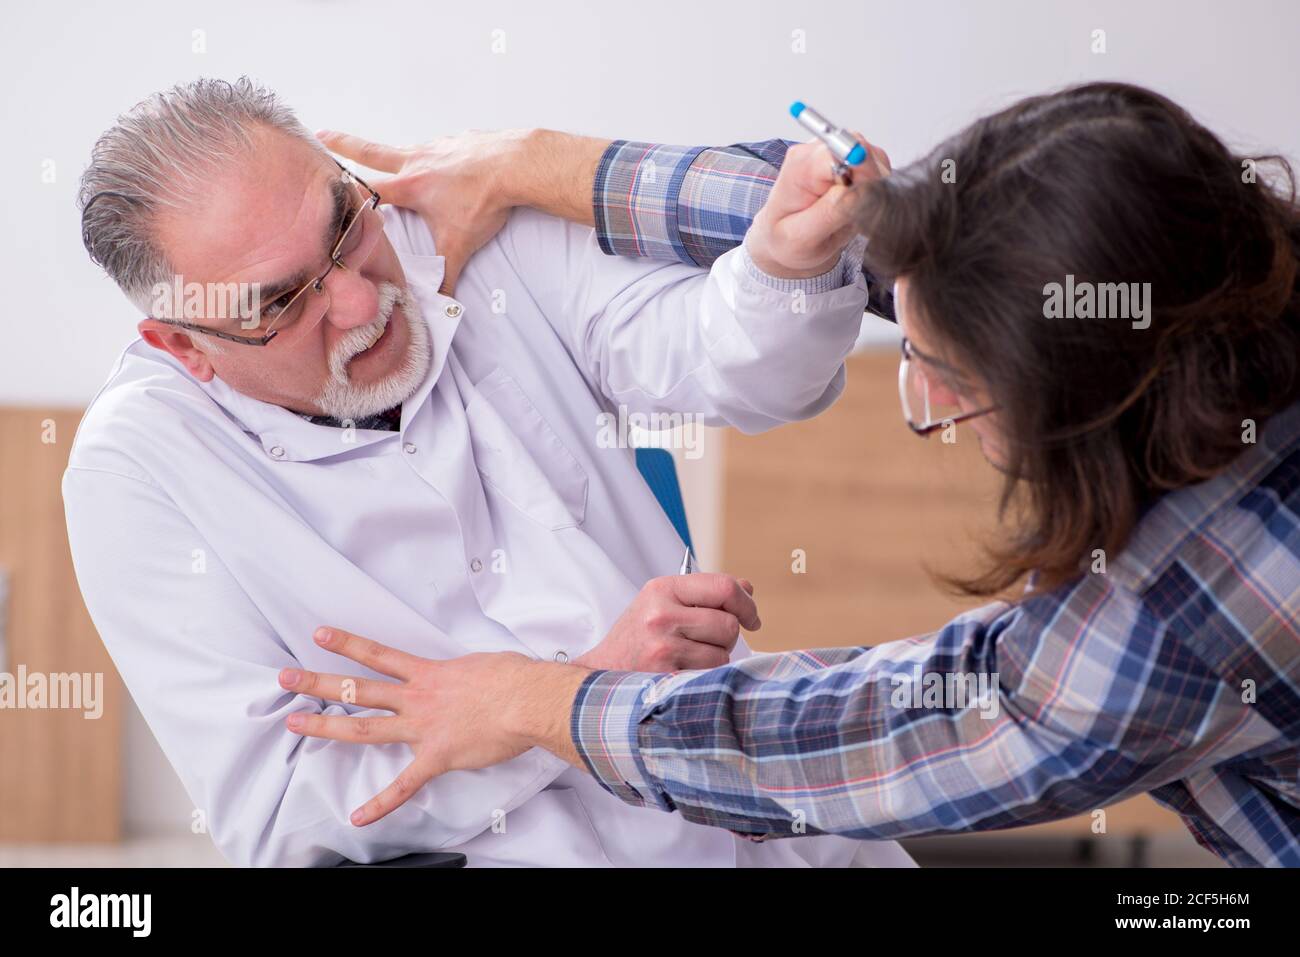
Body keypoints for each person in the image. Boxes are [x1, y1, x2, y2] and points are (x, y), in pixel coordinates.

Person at [289, 82, 1300, 868]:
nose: (929, 409)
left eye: (952, 380)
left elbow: (898, 728)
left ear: (1093, 391)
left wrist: (536, 700)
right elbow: (844, 216)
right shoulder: (1217, 270)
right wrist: (531, 163)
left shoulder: (1196, 607)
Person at [66, 76, 912, 867]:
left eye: (345, 229)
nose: (363, 303)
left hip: (769, 820)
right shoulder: (136, 466)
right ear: (185, 345)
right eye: (285, 304)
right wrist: (564, 698)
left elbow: (741, 367)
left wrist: (785, 258)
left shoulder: (464, 225)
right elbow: (283, 812)